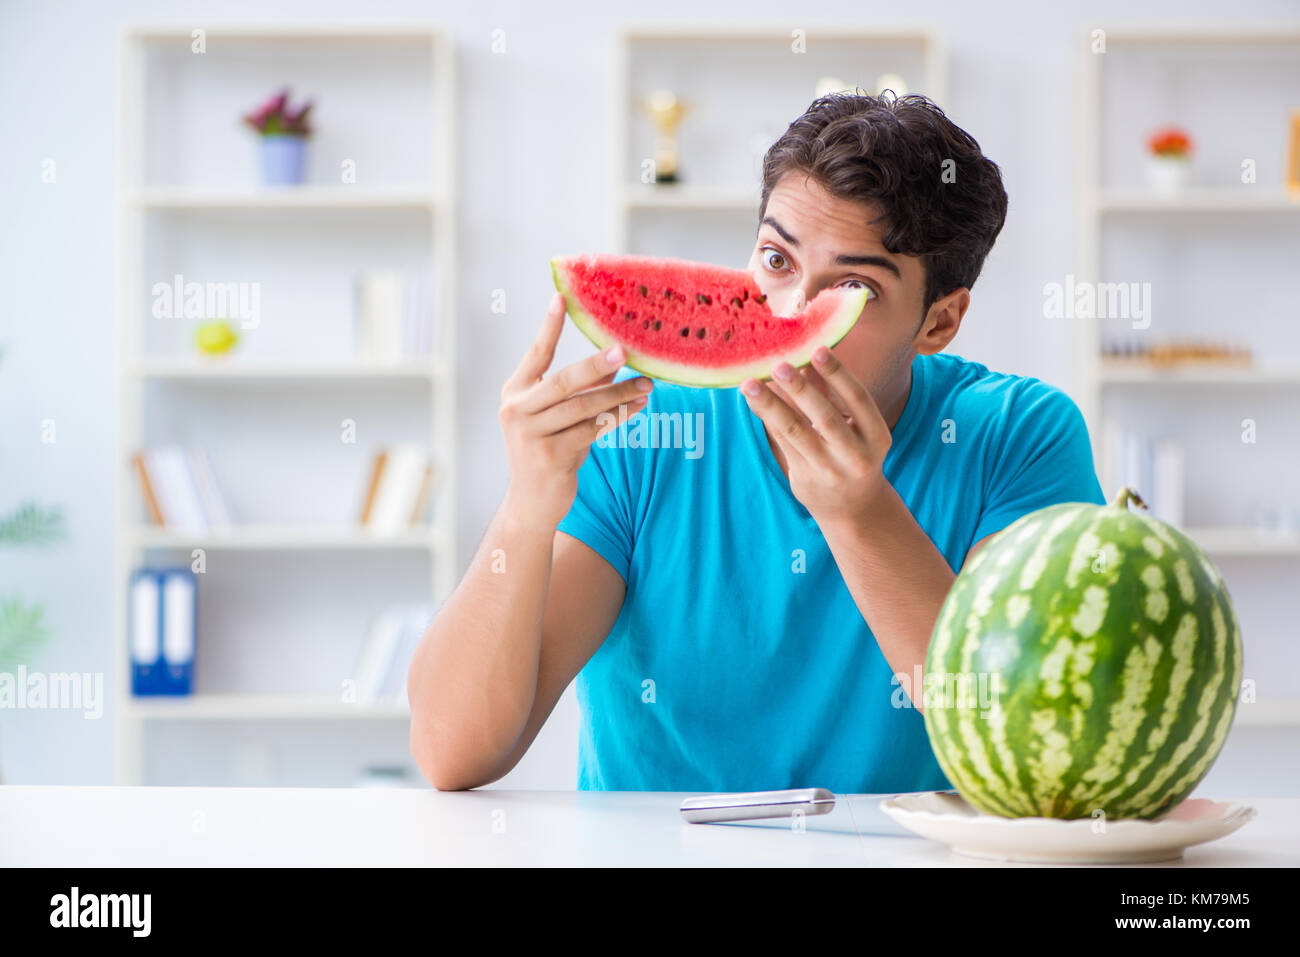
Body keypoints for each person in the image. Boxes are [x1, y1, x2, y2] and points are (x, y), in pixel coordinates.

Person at [408, 92, 1105, 793]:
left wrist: (858, 512)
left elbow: (1023, 739)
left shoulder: (1019, 436)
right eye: (776, 260)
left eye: (854, 287)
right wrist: (525, 508)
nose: (792, 312)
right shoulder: (645, 432)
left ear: (939, 322)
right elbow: (452, 753)